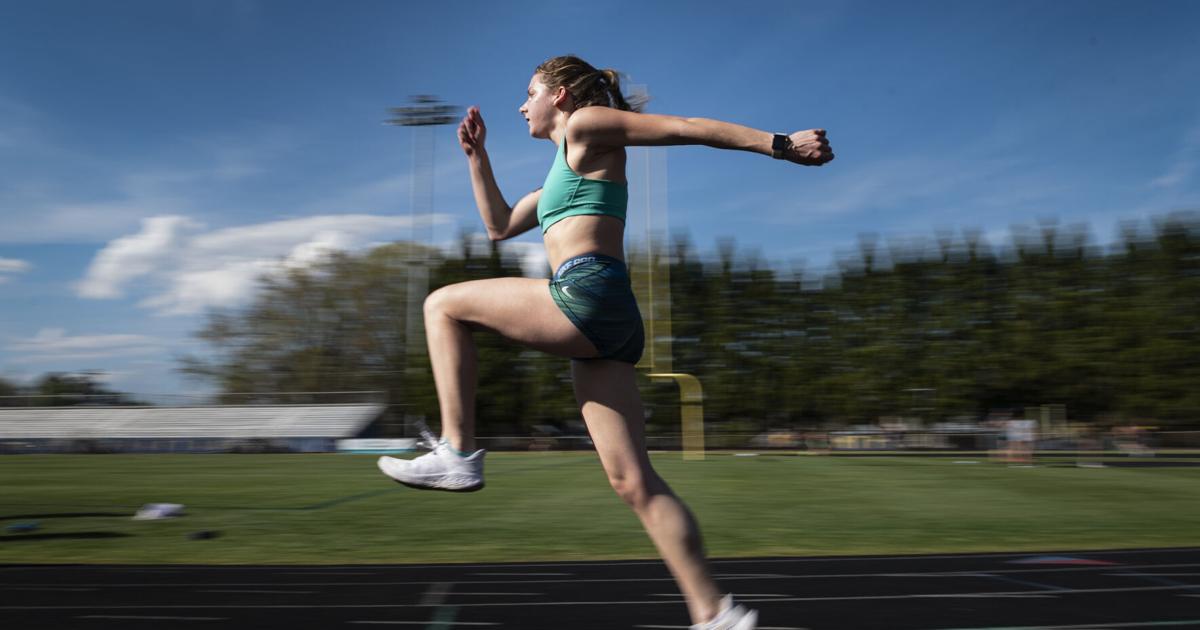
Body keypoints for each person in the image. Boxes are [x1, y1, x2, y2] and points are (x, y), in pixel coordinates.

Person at [378, 54, 834, 629]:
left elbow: (686, 129)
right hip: (610, 319)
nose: (521, 106)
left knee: (441, 304)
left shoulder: (587, 125)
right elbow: (497, 226)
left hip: (587, 293)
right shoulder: (554, 179)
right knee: (633, 482)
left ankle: (459, 454)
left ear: (562, 95)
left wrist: (781, 144)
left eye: (529, 93)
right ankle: (716, 614)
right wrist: (477, 159)